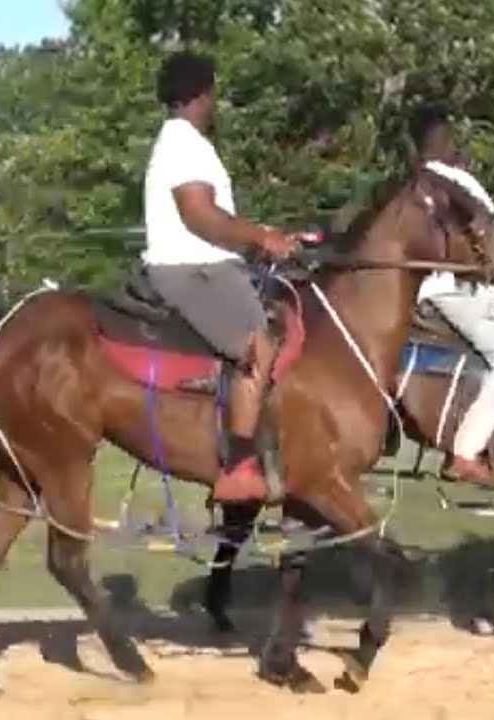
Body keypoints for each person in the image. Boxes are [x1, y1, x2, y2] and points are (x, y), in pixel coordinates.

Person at [140, 50, 300, 502]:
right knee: (259, 346)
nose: (214, 103)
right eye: (212, 93)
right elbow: (199, 216)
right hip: (193, 268)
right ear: (200, 93)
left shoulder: (182, 141)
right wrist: (261, 237)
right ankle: (237, 466)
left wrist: (264, 238)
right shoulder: (184, 144)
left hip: (208, 264)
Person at [409, 106, 494, 485]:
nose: (456, 147)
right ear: (440, 142)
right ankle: (466, 452)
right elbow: (482, 229)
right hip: (453, 285)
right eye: (451, 139)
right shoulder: (442, 180)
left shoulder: (427, 180)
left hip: (456, 283)